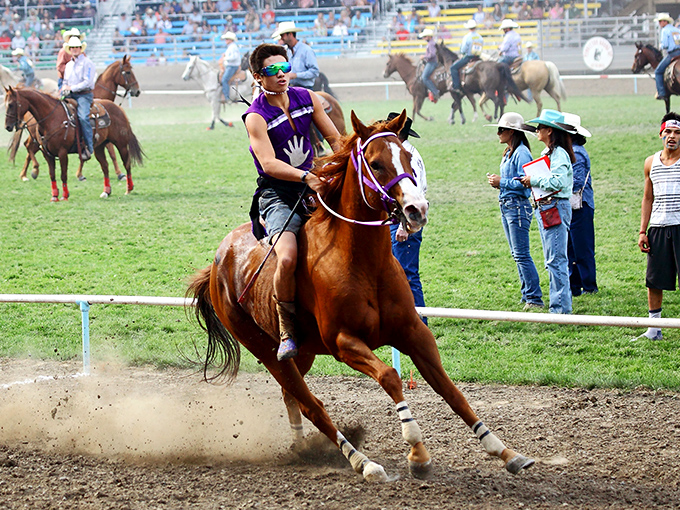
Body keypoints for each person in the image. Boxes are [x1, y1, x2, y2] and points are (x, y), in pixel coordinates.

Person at [243, 43, 341, 360]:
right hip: (277, 194)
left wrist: (339, 165)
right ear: (258, 77)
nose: (282, 75)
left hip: (311, 184)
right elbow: (269, 164)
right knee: (286, 257)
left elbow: (335, 138)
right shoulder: (255, 116)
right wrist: (304, 177)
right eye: (273, 71)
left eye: (285, 68)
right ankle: (287, 330)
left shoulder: (307, 98)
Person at [486, 112, 544, 311]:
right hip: (508, 206)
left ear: (512, 131)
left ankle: (534, 297)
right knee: (517, 253)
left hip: (517, 207)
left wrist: (501, 182)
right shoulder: (511, 151)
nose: (498, 133)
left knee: (521, 254)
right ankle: (527, 293)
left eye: (501, 129)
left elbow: (524, 183)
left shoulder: (521, 153)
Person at [520, 109, 576, 314]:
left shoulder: (558, 154)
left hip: (554, 207)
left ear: (550, 131)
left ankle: (561, 309)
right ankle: (559, 306)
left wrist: (533, 180)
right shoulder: (551, 153)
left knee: (556, 260)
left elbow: (558, 182)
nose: (537, 130)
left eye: (540, 127)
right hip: (548, 208)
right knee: (553, 259)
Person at [637, 112, 680, 340]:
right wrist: (643, 231)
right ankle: (654, 329)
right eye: (668, 132)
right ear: (661, 134)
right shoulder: (650, 162)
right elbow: (647, 198)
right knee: (654, 280)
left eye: (677, 132)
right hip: (659, 228)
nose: (672, 136)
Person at [383, 112, 428, 324]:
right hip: (399, 220)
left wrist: (405, 225)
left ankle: (418, 321)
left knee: (407, 273)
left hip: (405, 221)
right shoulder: (404, 153)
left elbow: (415, 193)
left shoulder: (408, 157)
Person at [563, 113, 597, 298]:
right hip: (575, 206)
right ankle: (577, 285)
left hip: (580, 206)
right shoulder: (573, 152)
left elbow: (575, 183)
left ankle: (589, 285)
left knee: (582, 248)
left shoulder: (576, 154)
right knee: (572, 247)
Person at [60, 35, 96, 162]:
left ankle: (89, 146)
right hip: (70, 94)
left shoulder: (88, 63)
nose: (74, 49)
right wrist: (64, 87)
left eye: (77, 47)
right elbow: (65, 80)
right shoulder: (69, 65)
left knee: (83, 117)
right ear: (69, 49)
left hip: (84, 95)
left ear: (81, 48)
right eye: (72, 47)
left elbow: (87, 82)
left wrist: (71, 88)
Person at [272, 21, 319, 90]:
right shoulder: (285, 51)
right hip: (289, 88)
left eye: (283, 35)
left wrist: (296, 75)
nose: (281, 38)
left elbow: (315, 72)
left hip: (304, 89)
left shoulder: (306, 50)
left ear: (290, 34)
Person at [450, 19, 483, 94]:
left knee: (453, 68)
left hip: (469, 57)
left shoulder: (467, 37)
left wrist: (462, 52)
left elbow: (463, 49)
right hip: (477, 57)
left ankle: (456, 87)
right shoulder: (480, 37)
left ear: (469, 28)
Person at [654, 13, 680, 101]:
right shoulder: (676, 30)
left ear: (665, 22)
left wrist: (660, 47)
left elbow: (664, 45)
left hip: (673, 54)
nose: (659, 23)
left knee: (658, 71)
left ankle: (661, 93)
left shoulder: (665, 30)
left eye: (660, 21)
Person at [419, 28, 439, 102]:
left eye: (425, 36)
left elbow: (432, 54)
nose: (424, 38)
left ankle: (435, 91)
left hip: (432, 62)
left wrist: (424, 57)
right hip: (430, 62)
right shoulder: (431, 43)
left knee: (424, 77)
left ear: (429, 36)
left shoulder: (431, 44)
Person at [219, 31, 240, 101]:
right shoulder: (231, 47)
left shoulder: (233, 47)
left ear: (230, 40)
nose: (225, 41)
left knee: (224, 80)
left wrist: (225, 58)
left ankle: (227, 97)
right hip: (230, 66)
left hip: (232, 66)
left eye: (227, 39)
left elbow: (234, 57)